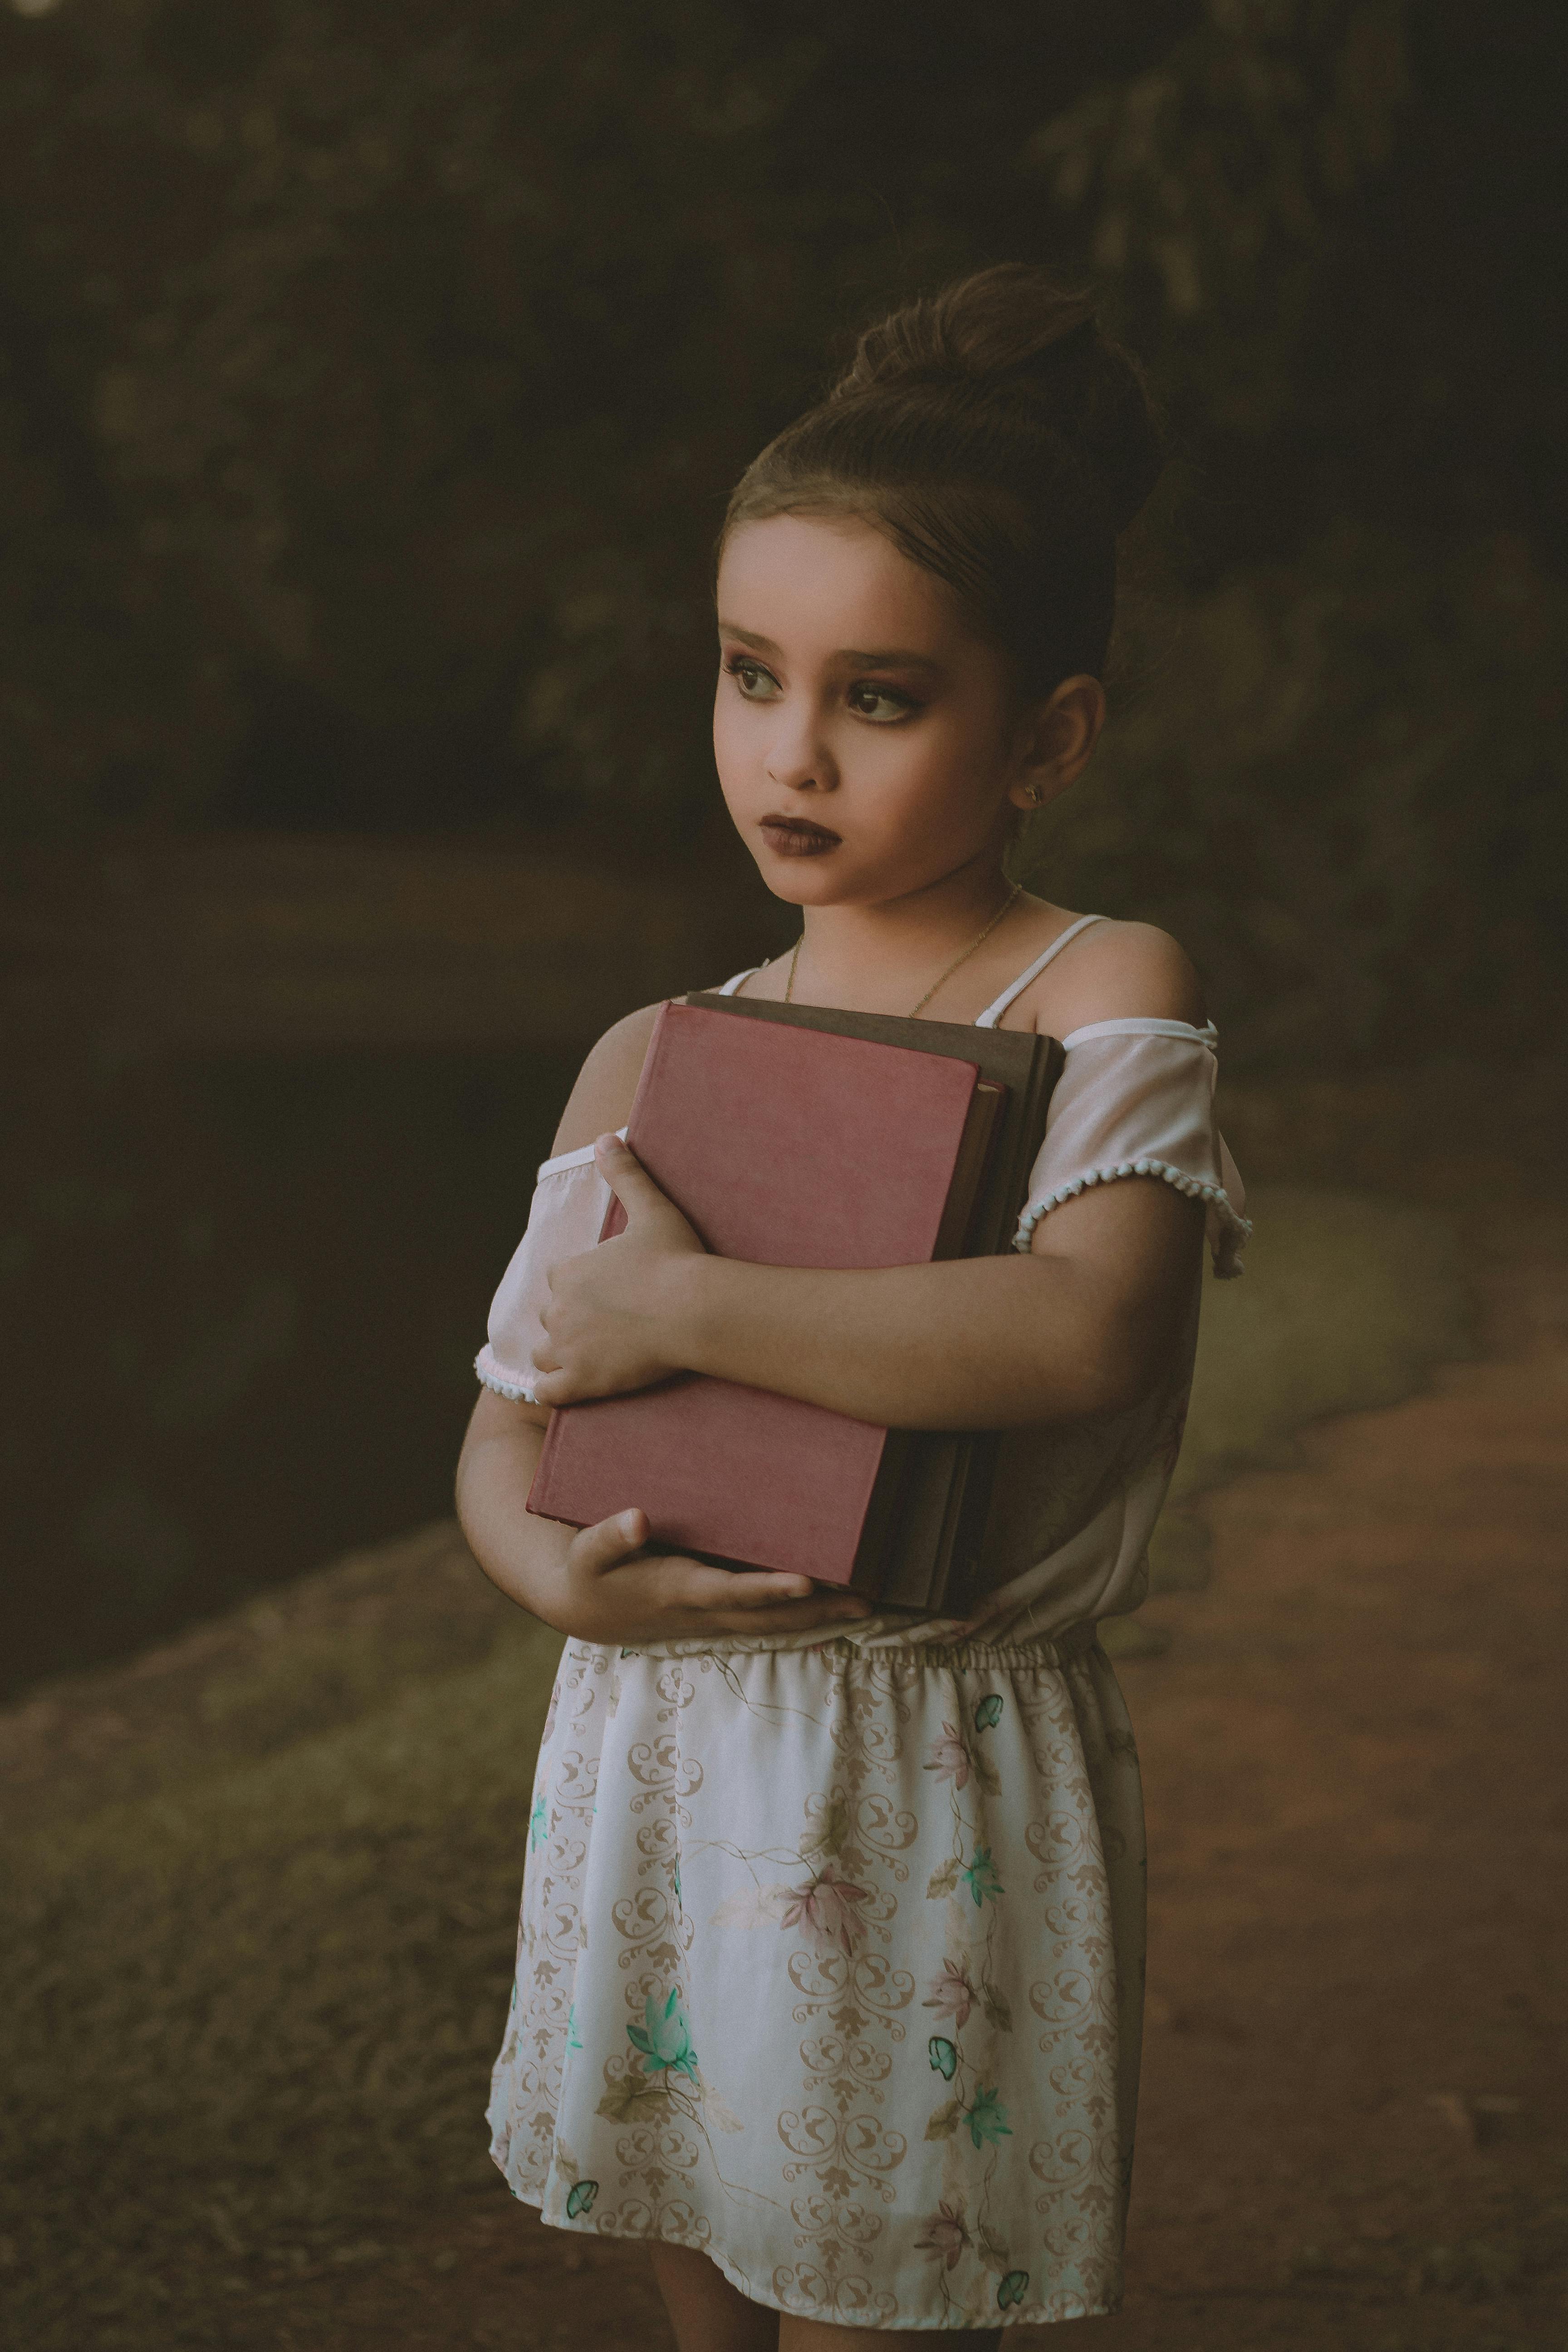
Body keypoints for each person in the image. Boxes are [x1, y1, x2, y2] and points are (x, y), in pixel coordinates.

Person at [455, 263, 1249, 2349]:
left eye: (877, 698)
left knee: (879, 2290)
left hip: (930, 1759)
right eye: (749, 675)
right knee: (699, 2248)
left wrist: (688, 1304)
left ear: (1048, 734)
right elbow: (511, 1425)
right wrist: (553, 1576)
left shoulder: (1094, 990)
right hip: (665, 1742)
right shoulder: (656, 1048)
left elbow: (1083, 1331)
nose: (787, 751)